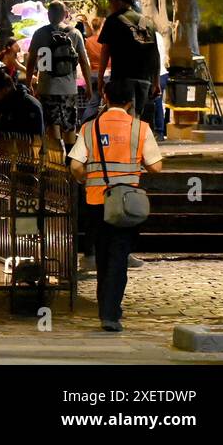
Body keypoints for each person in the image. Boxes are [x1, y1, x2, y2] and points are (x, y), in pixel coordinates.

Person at [68, 80, 163, 331]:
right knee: (119, 257)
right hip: (127, 205)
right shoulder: (140, 129)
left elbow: (75, 165)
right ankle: (111, 313)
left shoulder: (90, 128)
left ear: (106, 99)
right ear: (131, 102)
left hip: (97, 201)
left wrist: (87, 179)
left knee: (102, 254)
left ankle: (105, 308)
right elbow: (156, 166)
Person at [26, 1, 91, 150]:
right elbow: (83, 62)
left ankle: (56, 164)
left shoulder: (40, 33)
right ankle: (69, 162)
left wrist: (29, 83)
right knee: (69, 127)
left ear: (48, 15)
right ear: (65, 15)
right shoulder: (74, 33)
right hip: (68, 89)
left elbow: (31, 62)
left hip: (46, 88)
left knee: (51, 127)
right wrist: (88, 86)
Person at [96, 0, 161, 126]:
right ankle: (138, 144)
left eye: (111, 3)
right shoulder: (147, 22)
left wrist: (100, 78)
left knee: (124, 118)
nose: (110, 7)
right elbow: (155, 54)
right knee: (138, 117)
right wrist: (156, 81)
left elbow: (105, 51)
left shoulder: (113, 20)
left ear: (117, 2)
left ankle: (127, 145)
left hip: (122, 77)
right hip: (144, 79)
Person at [0, 70, 45, 148]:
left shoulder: (31, 105)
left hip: (27, 153)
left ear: (6, 89)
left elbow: (37, 137)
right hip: (7, 153)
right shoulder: (0, 106)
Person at [83, 16, 105, 120]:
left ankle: (85, 124)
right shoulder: (105, 40)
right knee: (110, 102)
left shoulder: (88, 41)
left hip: (93, 74)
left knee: (93, 103)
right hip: (106, 74)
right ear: (101, 26)